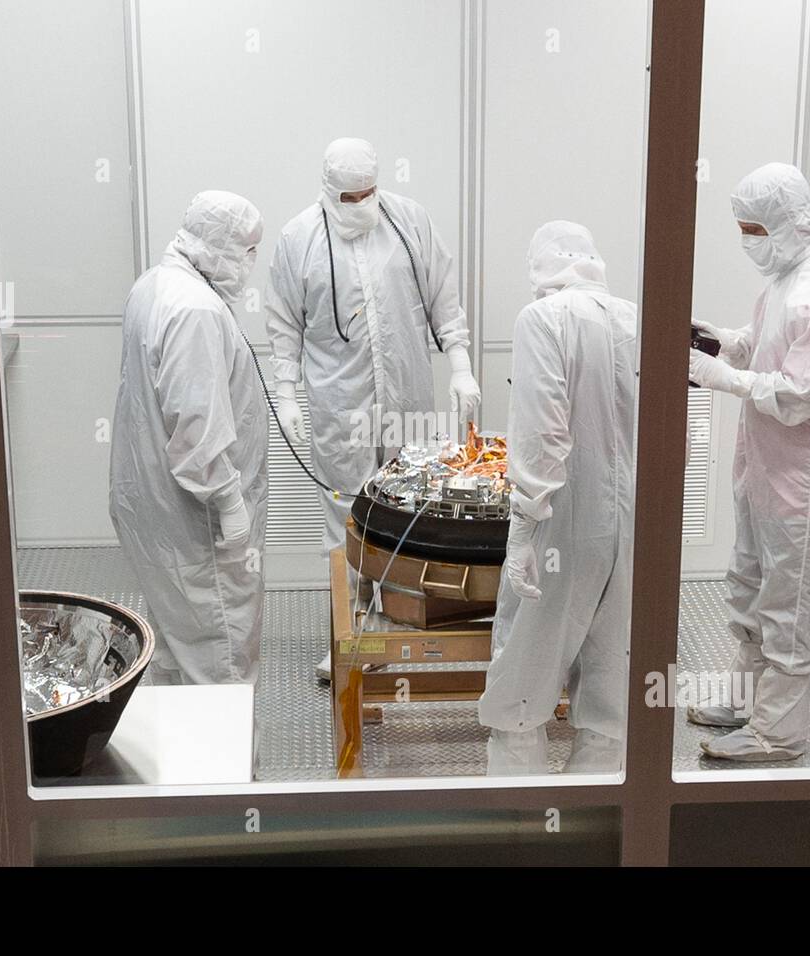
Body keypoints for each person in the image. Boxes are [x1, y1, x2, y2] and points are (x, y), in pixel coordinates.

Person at [266, 137, 480, 679]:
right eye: (349, 196)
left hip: (407, 397)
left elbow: (443, 299)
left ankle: (403, 626)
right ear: (328, 191)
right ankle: (351, 628)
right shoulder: (299, 239)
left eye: (368, 192)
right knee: (346, 515)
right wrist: (286, 394)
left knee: (408, 509)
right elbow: (284, 324)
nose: (360, 203)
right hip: (340, 403)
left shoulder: (409, 223)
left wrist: (460, 364)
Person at [687, 163, 810, 761]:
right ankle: (746, 700)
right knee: (751, 586)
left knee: (790, 607)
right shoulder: (791, 274)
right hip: (768, 472)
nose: (746, 241)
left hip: (805, 482)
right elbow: (769, 339)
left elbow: (799, 395)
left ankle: (777, 732)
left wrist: (725, 379)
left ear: (784, 222)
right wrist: (727, 342)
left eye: (751, 229)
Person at [479, 221, 637, 775]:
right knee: (610, 680)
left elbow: (543, 432)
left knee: (525, 672)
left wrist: (523, 525)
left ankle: (521, 821)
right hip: (632, 526)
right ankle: (596, 822)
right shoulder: (634, 318)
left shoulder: (542, 319)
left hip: (563, 520)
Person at [109, 191, 267, 685]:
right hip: (199, 526)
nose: (251, 263)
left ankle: (183, 761)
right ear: (218, 246)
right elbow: (196, 422)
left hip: (159, 513)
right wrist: (229, 502)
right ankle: (224, 765)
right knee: (219, 658)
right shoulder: (196, 310)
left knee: (177, 650)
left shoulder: (155, 285)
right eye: (246, 251)